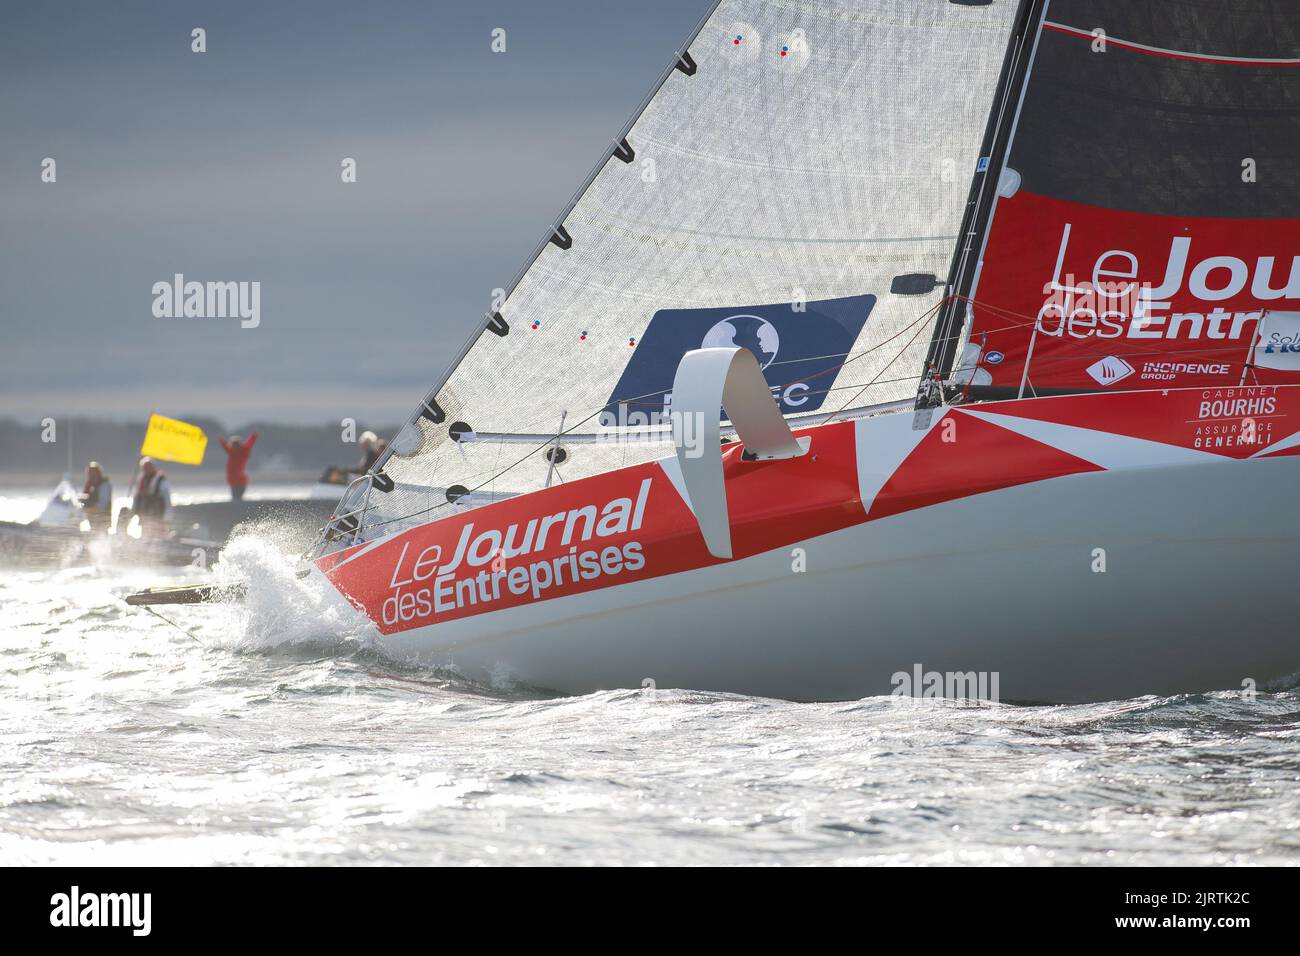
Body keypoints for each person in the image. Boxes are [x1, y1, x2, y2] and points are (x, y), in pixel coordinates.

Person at [130, 457, 173, 537]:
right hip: (144, 516)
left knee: (159, 537)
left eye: (148, 467)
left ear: (153, 467)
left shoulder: (161, 480)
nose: (146, 470)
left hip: (158, 516)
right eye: (144, 468)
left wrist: (167, 517)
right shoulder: (141, 479)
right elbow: (137, 497)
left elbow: (167, 499)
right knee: (146, 537)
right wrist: (132, 513)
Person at [219, 431, 259, 501]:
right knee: (235, 498)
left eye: (236, 444)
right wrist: (221, 439)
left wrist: (254, 435)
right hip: (233, 480)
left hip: (240, 481)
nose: (235, 446)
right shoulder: (231, 451)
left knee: (238, 498)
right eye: (234, 444)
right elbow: (225, 446)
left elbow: (249, 443)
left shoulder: (243, 452)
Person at [77, 461, 113, 532]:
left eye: (93, 474)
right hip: (93, 523)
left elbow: (103, 504)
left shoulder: (105, 486)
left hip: (103, 523)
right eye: (89, 474)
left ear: (98, 474)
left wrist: (89, 508)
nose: (91, 476)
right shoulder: (90, 486)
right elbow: (83, 499)